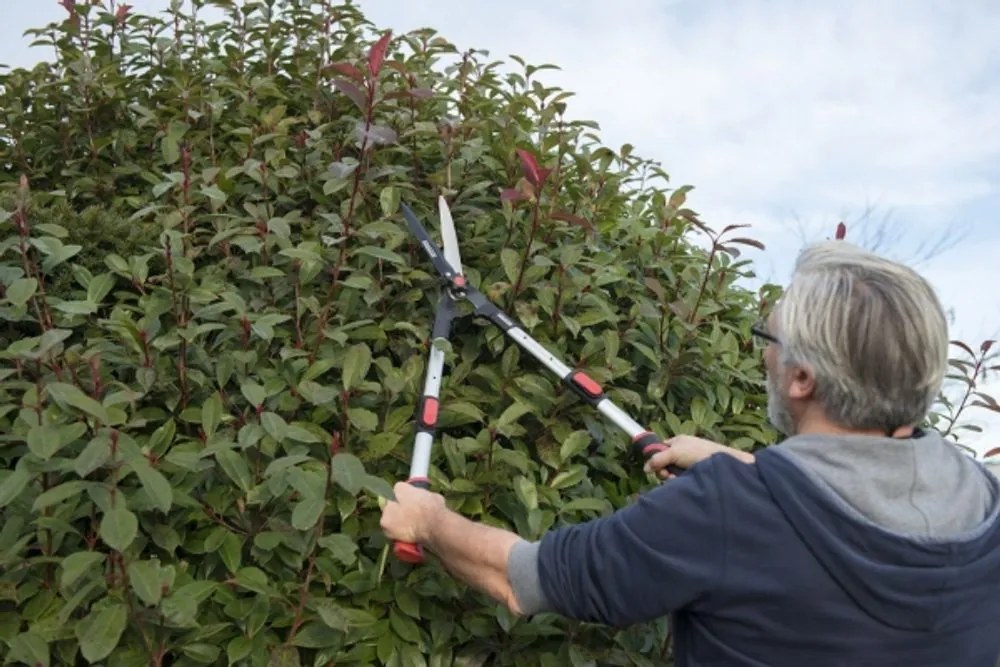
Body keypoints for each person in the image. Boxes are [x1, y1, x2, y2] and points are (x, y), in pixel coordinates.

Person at [379, 240, 1000, 666]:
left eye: (769, 339)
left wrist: (427, 521)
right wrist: (738, 465)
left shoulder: (721, 514)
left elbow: (524, 579)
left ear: (802, 379)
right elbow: (852, 512)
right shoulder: (983, 495)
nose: (764, 353)